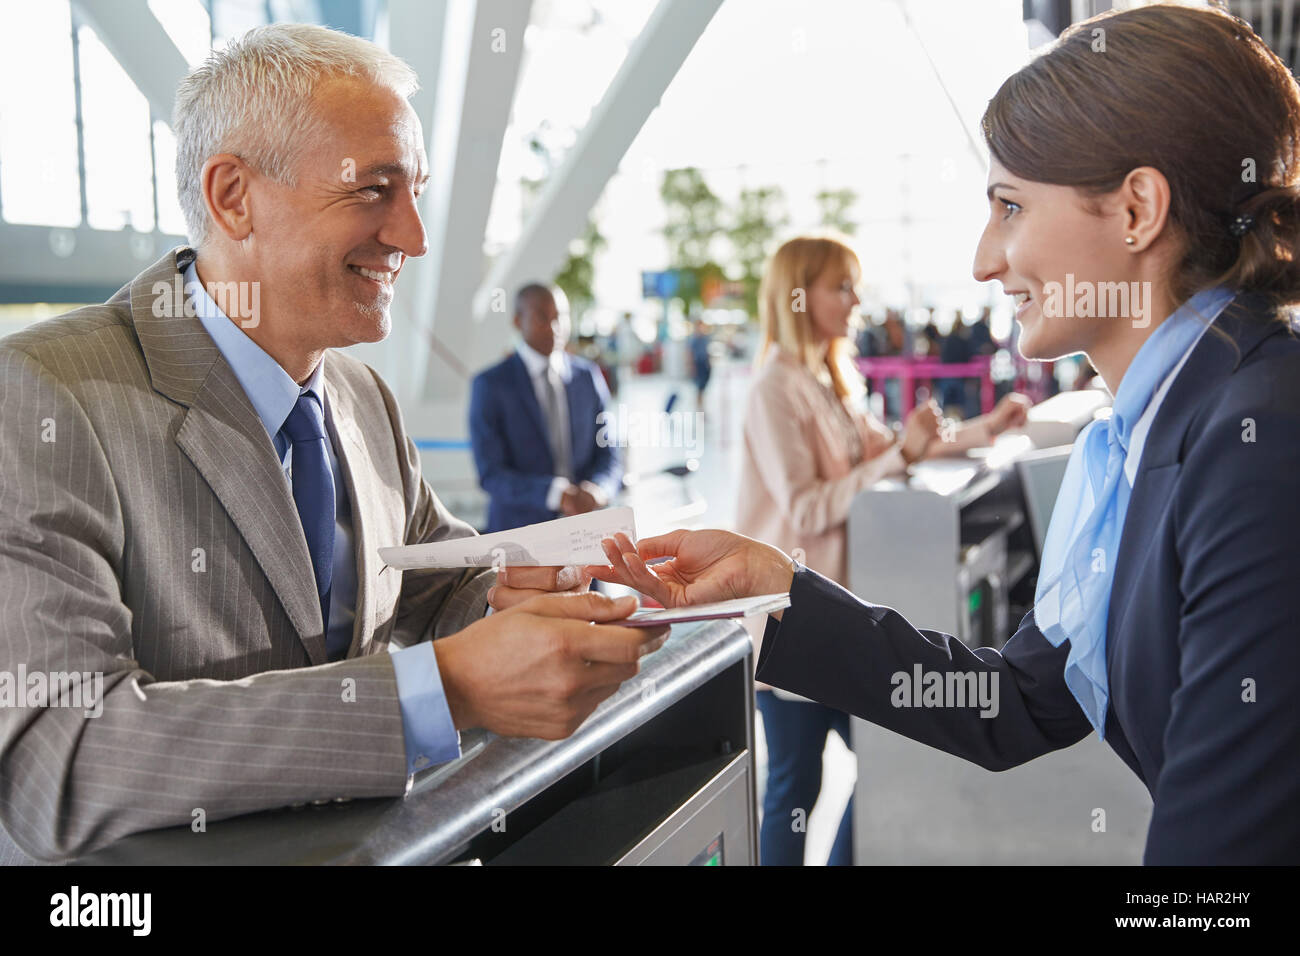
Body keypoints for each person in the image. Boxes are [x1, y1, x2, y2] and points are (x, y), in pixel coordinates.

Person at [588, 3, 1300, 864]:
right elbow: (1015, 702)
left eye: (1008, 206)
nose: (982, 260)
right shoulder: (1160, 431)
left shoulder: (1257, 440)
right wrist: (780, 591)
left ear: (1137, 211)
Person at [0, 25, 664, 865]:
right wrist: (446, 689)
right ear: (234, 195)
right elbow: (60, 760)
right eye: (375, 190)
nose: (414, 237)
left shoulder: (359, 394)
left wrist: (524, 597)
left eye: (415, 191)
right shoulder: (41, 396)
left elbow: (429, 581)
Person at [734, 234, 1029, 865]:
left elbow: (897, 448)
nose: (855, 301)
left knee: (887, 759)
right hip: (787, 617)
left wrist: (985, 428)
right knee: (796, 784)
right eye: (840, 286)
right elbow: (808, 506)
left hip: (830, 614)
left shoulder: (829, 381)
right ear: (797, 294)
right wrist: (897, 454)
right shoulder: (773, 390)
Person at [469, 283, 623, 533]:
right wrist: (556, 494)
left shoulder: (588, 377)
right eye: (542, 316)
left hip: (586, 532)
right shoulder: (491, 385)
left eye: (559, 317)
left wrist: (599, 488)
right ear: (518, 321)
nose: (554, 327)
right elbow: (491, 474)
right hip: (520, 533)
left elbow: (609, 450)